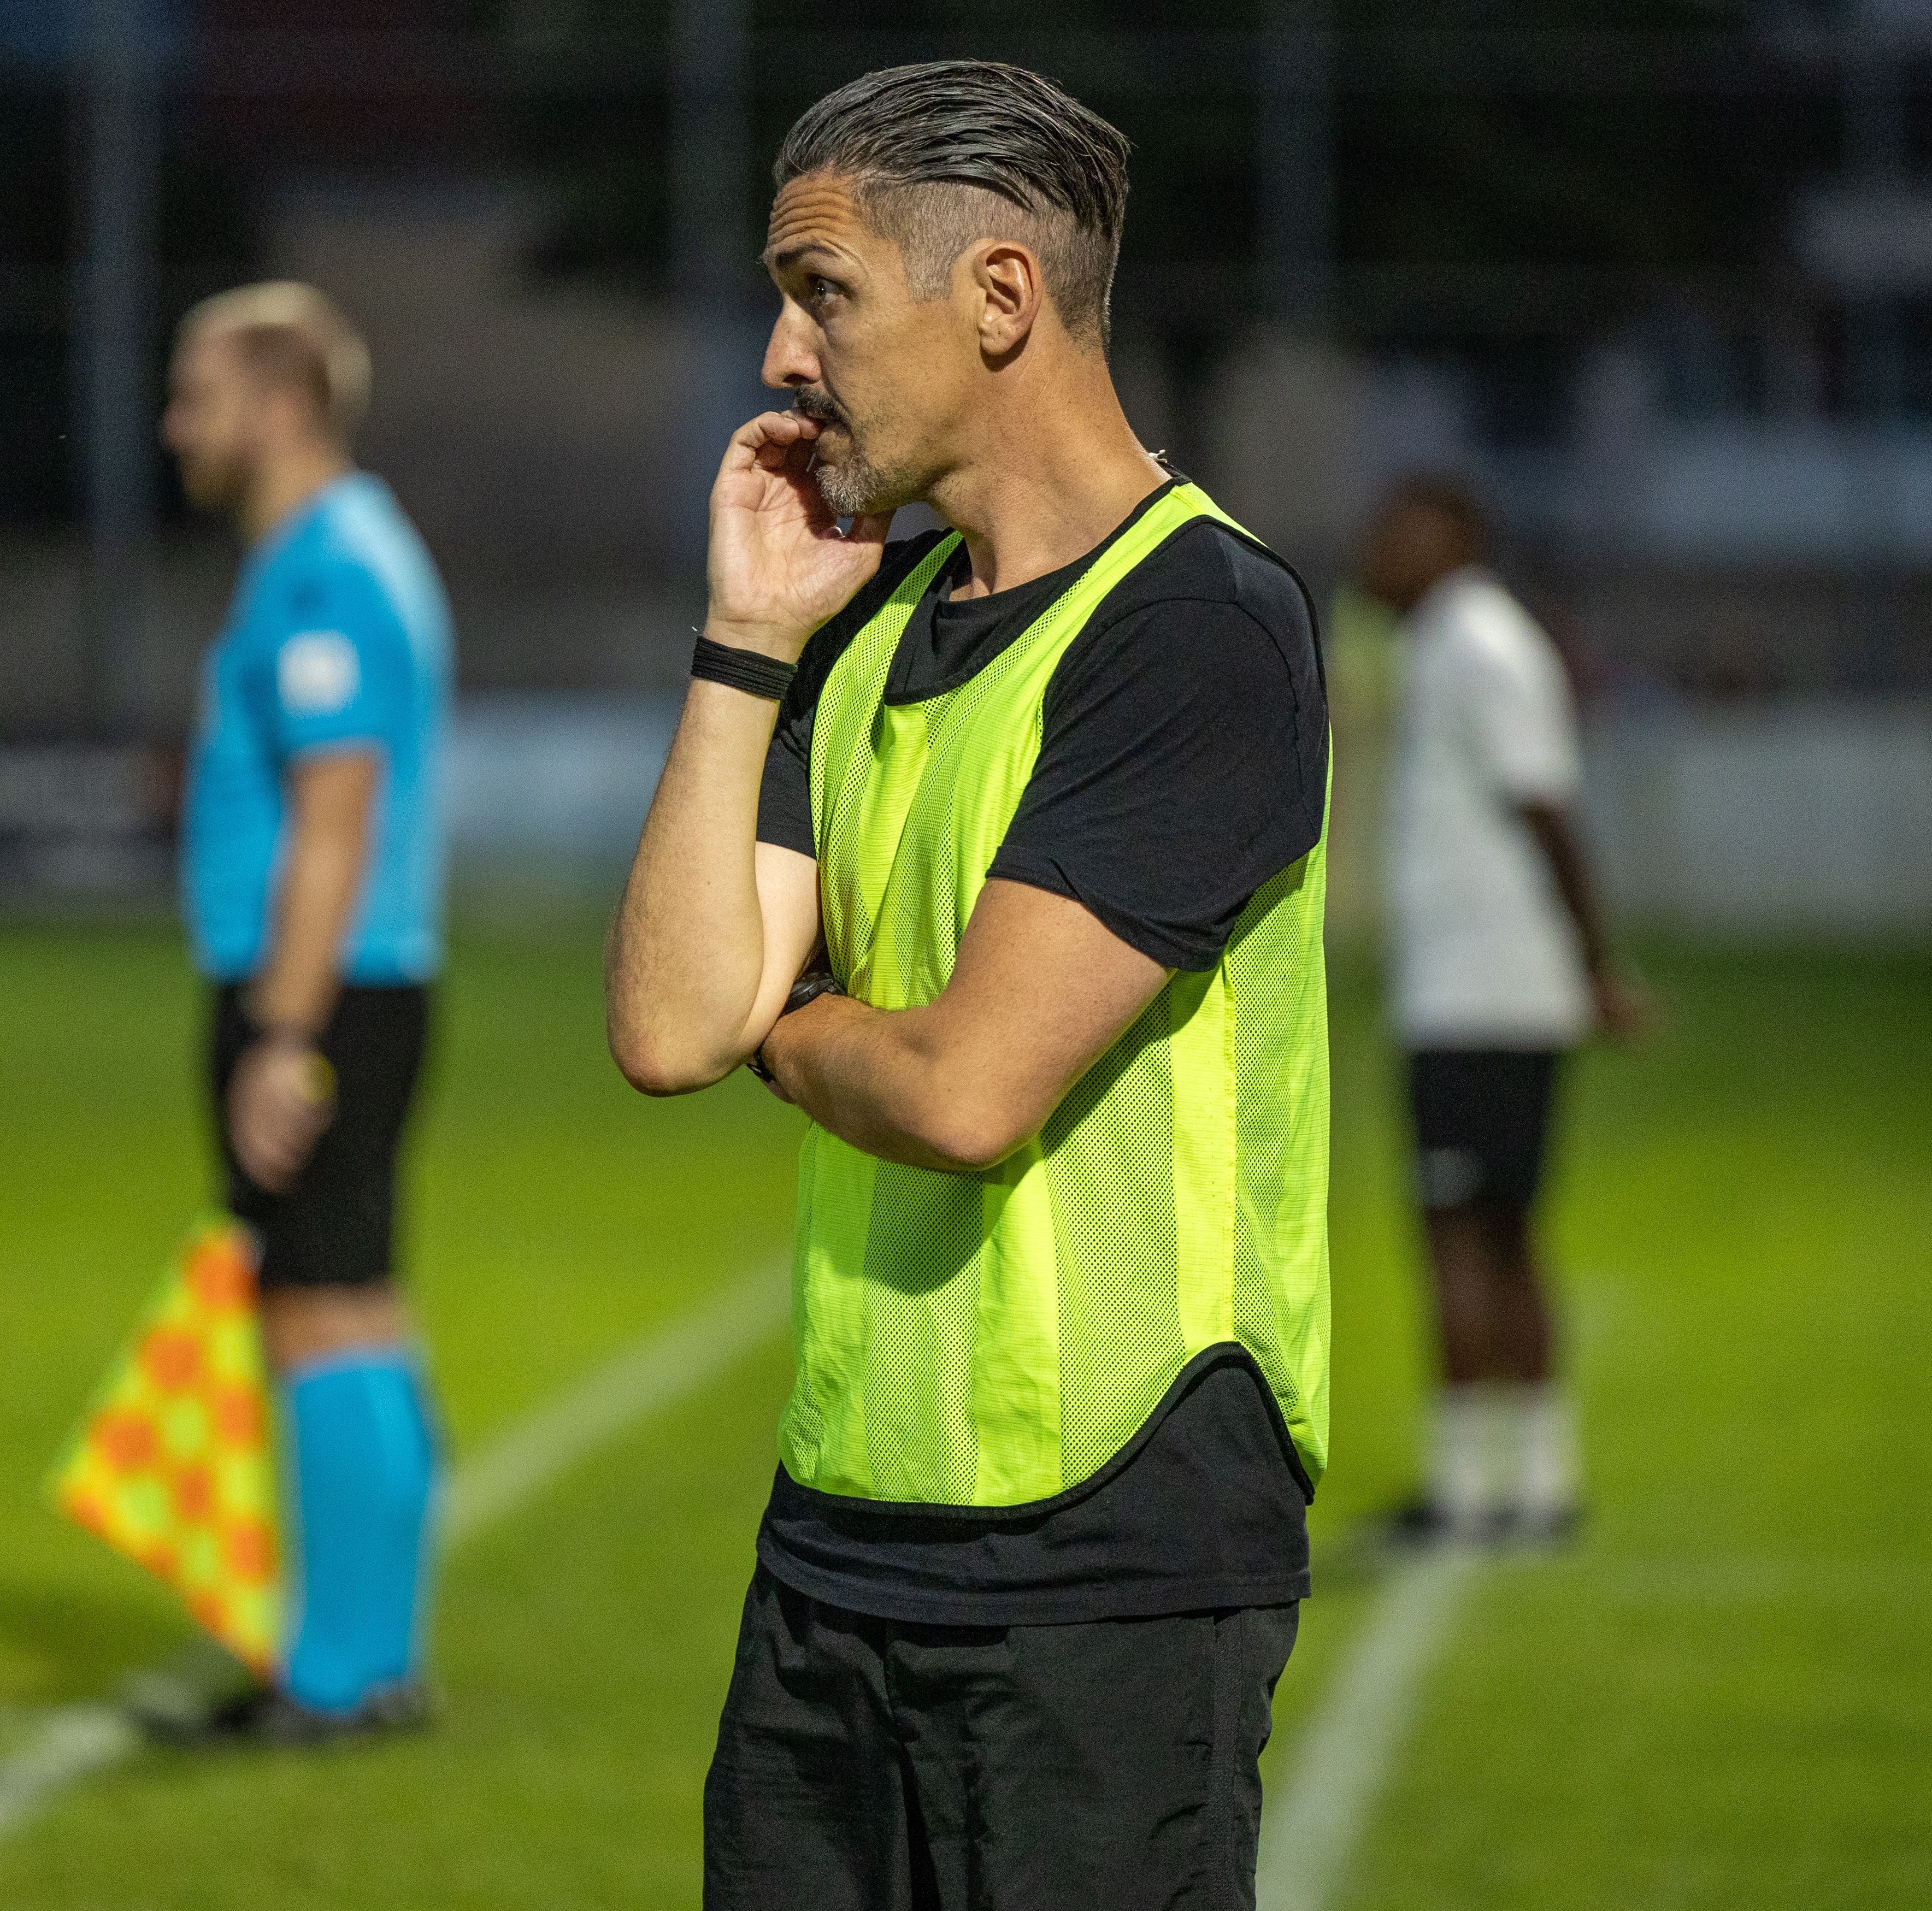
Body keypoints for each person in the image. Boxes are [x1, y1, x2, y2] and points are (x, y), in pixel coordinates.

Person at [608, 62, 1332, 1910]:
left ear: (999, 298)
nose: (778, 352)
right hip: (835, 1533)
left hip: (1106, 1562)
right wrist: (744, 636)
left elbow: (956, 1090)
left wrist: (801, 1018)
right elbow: (673, 1023)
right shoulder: (847, 625)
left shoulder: (1196, 626)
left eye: (822, 290)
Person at [146, 280, 453, 1744]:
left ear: (278, 403)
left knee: (313, 1311)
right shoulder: (337, 552)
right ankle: (366, 1655)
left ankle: (335, 1677)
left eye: (195, 394)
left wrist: (279, 1034)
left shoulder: (326, 569)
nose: (174, 426)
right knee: (353, 1304)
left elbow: (334, 816)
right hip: (355, 983)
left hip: (320, 989)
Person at [1358, 473, 1647, 1548]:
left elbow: (1547, 808)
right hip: (1493, 990)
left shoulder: (1477, 645)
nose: (1374, 550)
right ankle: (1533, 1482)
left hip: (1476, 997)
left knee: (1458, 1239)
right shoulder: (1456, 641)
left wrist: (1595, 964)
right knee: (1506, 1236)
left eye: (1397, 530)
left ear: (1456, 540)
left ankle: (1469, 1490)